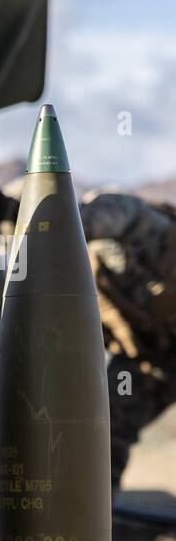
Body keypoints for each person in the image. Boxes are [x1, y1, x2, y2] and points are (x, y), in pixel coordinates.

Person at [80, 191, 176, 487]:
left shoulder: (129, 214)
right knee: (106, 431)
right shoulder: (90, 267)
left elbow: (88, 222)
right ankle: (93, 521)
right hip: (150, 358)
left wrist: (27, 219)